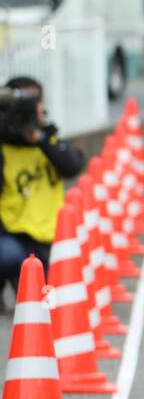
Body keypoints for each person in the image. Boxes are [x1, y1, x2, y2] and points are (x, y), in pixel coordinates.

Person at [0, 76, 86, 307]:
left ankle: (24, 280)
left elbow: (73, 166)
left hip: (49, 235)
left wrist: (39, 138)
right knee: (6, 255)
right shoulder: (3, 146)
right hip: (12, 233)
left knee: (46, 299)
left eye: (34, 101)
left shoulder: (48, 138)